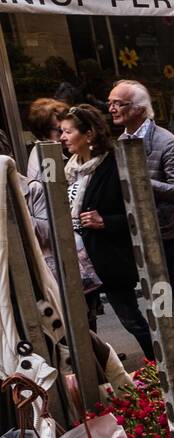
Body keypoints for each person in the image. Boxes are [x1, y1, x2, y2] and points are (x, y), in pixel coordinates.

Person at [106, 79, 174, 355]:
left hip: (165, 232)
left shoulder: (165, 141)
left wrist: (142, 181)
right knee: (152, 293)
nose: (111, 108)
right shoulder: (122, 141)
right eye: (109, 102)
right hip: (134, 230)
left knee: (169, 291)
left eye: (118, 103)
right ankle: (168, 349)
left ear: (139, 109)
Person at [60, 105, 153, 359]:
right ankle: (100, 376)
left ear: (88, 134)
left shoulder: (113, 165)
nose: (62, 137)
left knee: (130, 319)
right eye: (62, 132)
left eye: (68, 132)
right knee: (84, 326)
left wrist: (106, 222)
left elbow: (140, 213)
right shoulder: (68, 169)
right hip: (78, 258)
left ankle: (159, 364)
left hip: (109, 256)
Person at [22, 98, 68, 269]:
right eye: (59, 130)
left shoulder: (50, 152)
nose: (64, 135)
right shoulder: (48, 157)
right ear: (43, 130)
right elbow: (55, 194)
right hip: (57, 238)